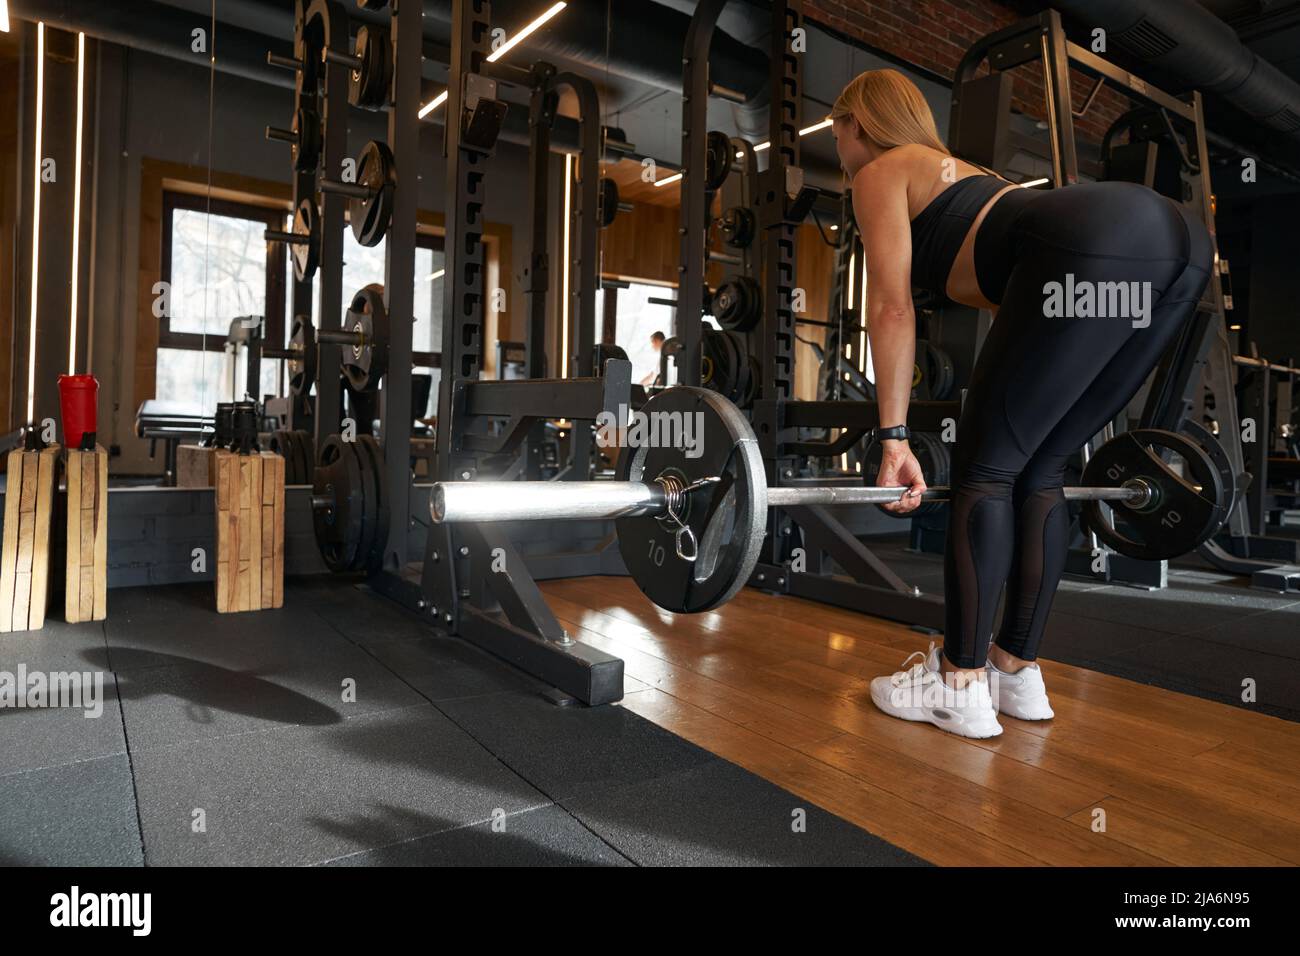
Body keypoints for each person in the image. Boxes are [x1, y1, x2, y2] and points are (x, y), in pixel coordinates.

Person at [830, 69, 1212, 738]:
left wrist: (892, 437)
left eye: (839, 135)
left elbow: (892, 308)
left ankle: (958, 682)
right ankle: (1015, 670)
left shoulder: (882, 170)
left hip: (1106, 235)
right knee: (1043, 468)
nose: (841, 151)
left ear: (852, 125)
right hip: (1179, 245)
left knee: (985, 470)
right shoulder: (962, 172)